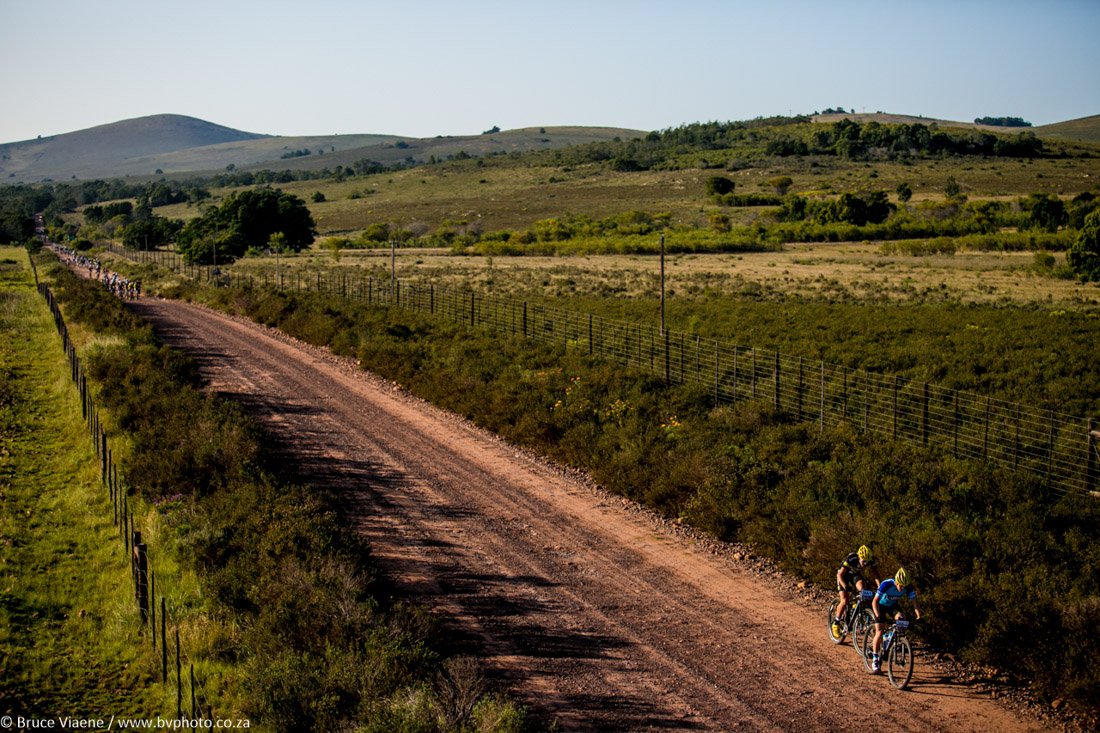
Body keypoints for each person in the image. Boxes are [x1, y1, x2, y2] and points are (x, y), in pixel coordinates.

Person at [868, 567, 923, 674]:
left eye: (904, 586)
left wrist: (919, 616)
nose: (902, 588)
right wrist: (878, 615)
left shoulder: (908, 587)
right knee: (879, 631)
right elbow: (874, 601)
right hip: (880, 606)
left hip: (893, 606)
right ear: (896, 581)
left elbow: (914, 602)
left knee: (901, 619)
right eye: (900, 585)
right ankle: (875, 659)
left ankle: (889, 639)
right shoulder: (887, 584)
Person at [832, 544, 879, 639]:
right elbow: (840, 575)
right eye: (863, 561)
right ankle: (836, 623)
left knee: (862, 589)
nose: (865, 564)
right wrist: (845, 586)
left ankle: (856, 605)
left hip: (854, 575)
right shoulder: (851, 558)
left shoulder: (870, 560)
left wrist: (879, 587)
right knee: (844, 600)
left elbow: (876, 575)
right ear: (859, 557)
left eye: (867, 562)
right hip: (843, 576)